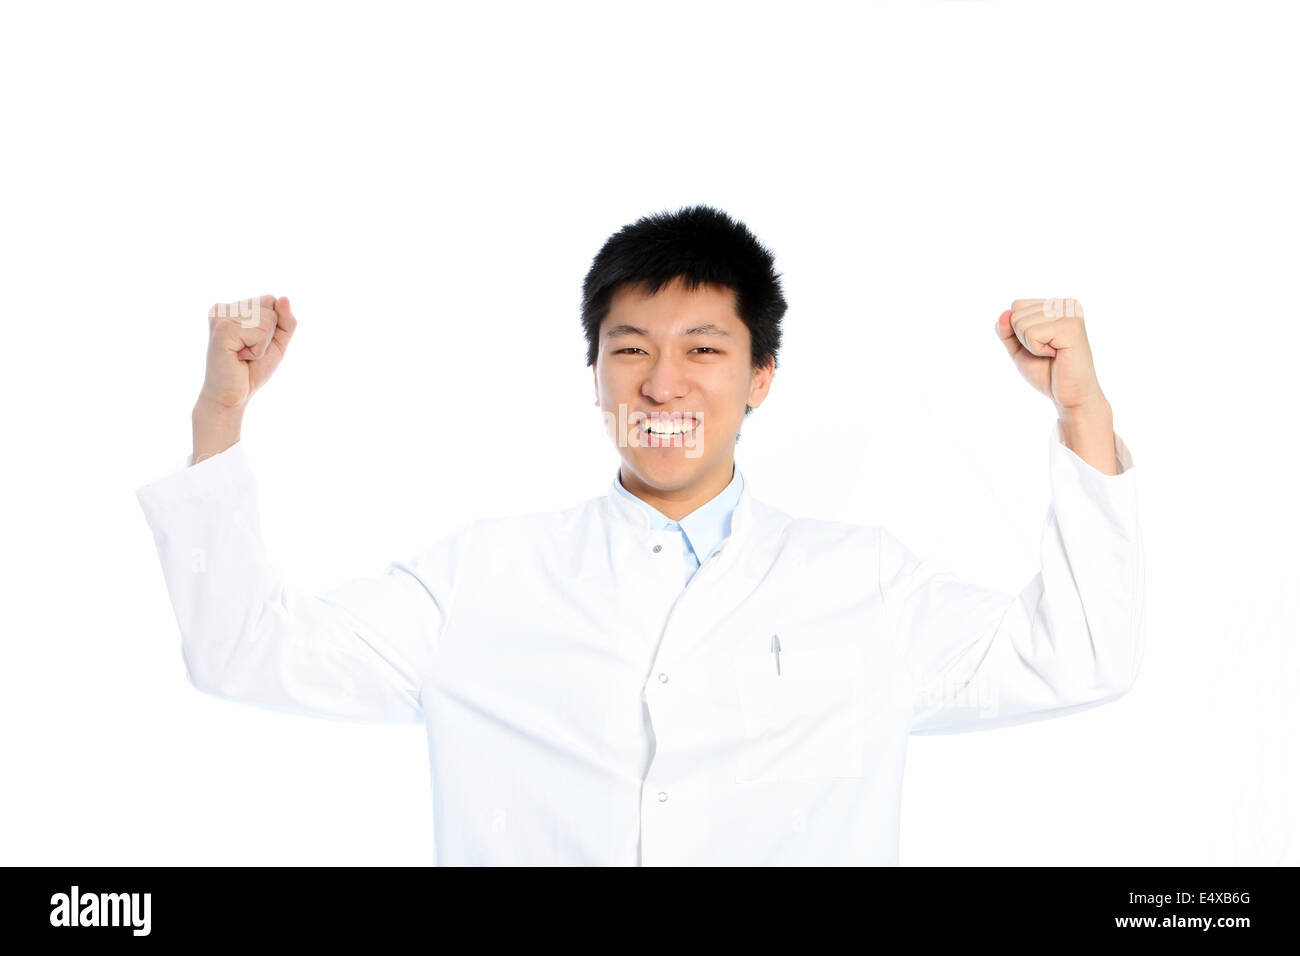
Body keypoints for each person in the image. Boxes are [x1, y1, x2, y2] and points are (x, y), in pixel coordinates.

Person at [135, 204, 1142, 865]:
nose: (663, 383)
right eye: (630, 350)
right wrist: (219, 416)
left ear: (759, 379)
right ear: (595, 375)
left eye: (703, 348)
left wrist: (1079, 412)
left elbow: (1081, 654)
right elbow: (242, 652)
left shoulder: (862, 582)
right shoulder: (483, 575)